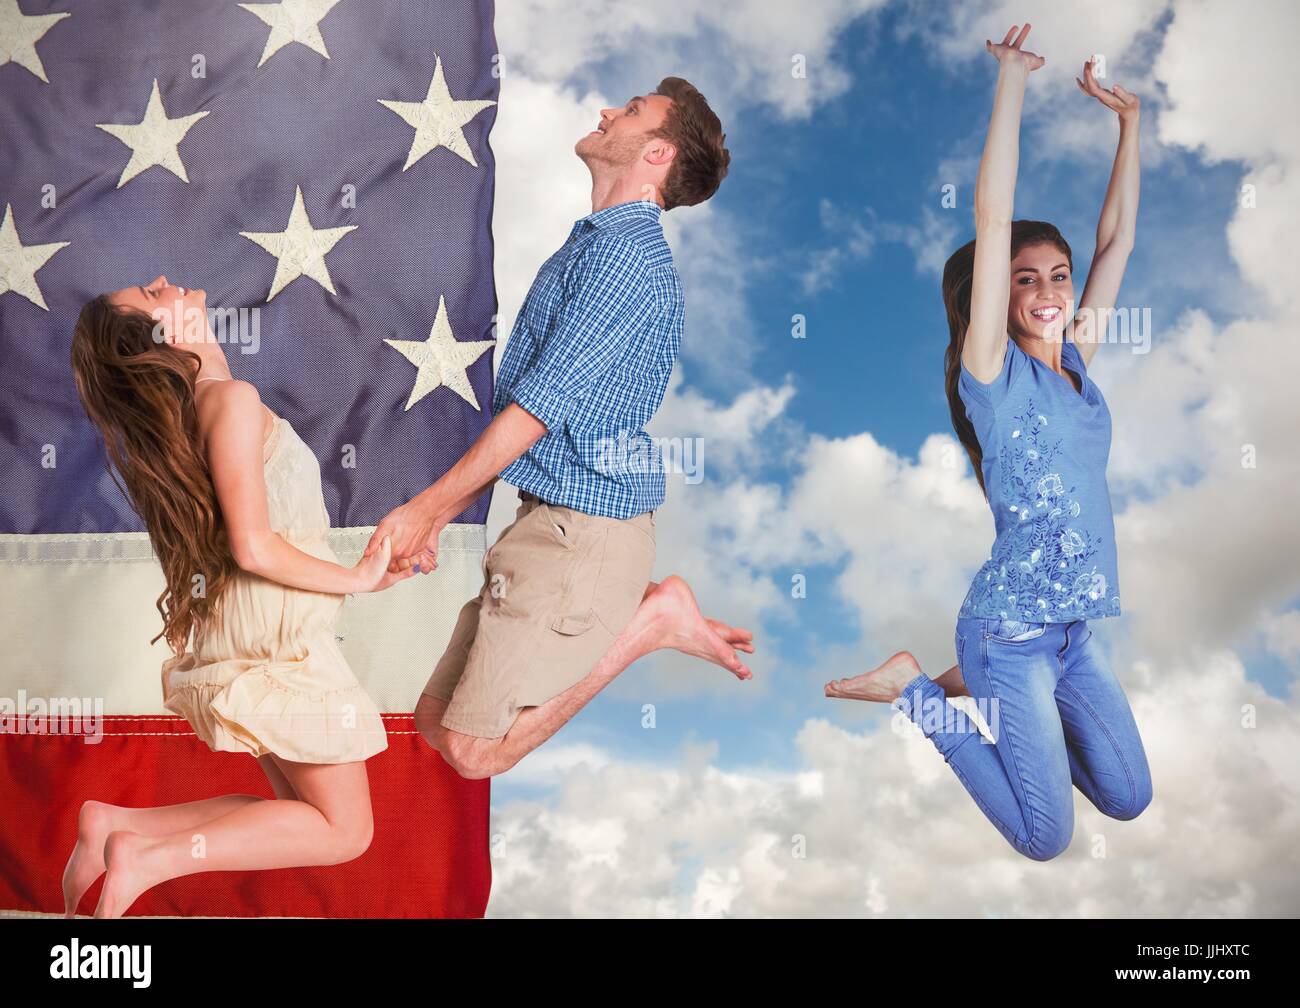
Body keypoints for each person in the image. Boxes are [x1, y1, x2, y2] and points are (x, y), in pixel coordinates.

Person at [825, 25, 1152, 861]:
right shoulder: (992, 375)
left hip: (1073, 635)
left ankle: (984, 689)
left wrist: (1130, 125)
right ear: (996, 296)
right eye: (1024, 277)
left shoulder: (1076, 364)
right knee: (1046, 837)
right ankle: (918, 690)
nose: (1047, 290)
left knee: (1129, 797)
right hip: (1007, 631)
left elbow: (1117, 241)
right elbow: (991, 215)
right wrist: (1012, 80)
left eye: (1058, 276)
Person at [365, 78, 754, 779]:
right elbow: (531, 420)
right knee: (436, 723)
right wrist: (436, 520)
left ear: (658, 153)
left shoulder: (626, 258)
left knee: (474, 751)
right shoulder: (593, 247)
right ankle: (652, 610)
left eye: (631, 112)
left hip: (584, 536)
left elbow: (536, 412)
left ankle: (653, 623)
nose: (607, 111)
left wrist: (424, 510)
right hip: (547, 522)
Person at [63, 278, 410, 917]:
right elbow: (254, 547)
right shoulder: (229, 400)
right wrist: (357, 579)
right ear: (159, 337)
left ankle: (115, 825)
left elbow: (253, 539)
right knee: (344, 830)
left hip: (256, 629)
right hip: (277, 639)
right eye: (150, 295)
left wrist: (360, 576)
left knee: (303, 811)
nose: (163, 282)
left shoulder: (205, 408)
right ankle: (145, 856)